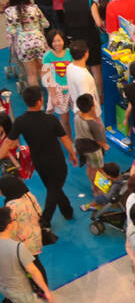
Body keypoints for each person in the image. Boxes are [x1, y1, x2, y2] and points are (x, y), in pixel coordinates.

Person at [13, 87, 77, 227]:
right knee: (54, 188)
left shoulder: (20, 121)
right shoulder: (51, 119)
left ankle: (67, 210)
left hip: (39, 163)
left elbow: (9, 141)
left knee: (53, 188)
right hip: (56, 162)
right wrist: (72, 153)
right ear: (40, 101)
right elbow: (65, 139)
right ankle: (45, 219)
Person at [0, 205, 55, 303]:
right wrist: (45, 290)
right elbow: (33, 271)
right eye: (14, 219)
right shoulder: (17, 247)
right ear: (9, 224)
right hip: (21, 289)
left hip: (5, 288)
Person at [4, 0, 49, 89]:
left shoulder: (9, 11)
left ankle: (38, 101)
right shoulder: (34, 8)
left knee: (31, 74)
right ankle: (52, 95)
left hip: (23, 44)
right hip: (39, 41)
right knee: (44, 70)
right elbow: (46, 24)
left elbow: (11, 30)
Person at [42, 30, 75, 139]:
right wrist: (53, 96)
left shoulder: (70, 52)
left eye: (59, 40)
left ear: (63, 40)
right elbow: (48, 78)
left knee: (79, 117)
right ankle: (69, 142)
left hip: (72, 89)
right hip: (58, 91)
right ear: (50, 42)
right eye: (54, 41)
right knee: (64, 121)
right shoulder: (47, 56)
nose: (57, 44)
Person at [73, 93, 107, 189]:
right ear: (92, 107)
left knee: (89, 167)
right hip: (94, 150)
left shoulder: (77, 116)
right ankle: (102, 189)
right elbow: (99, 140)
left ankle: (93, 185)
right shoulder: (92, 123)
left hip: (81, 147)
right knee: (99, 170)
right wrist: (105, 145)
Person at [65, 40, 97, 113]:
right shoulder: (83, 76)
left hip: (77, 109)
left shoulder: (69, 67)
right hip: (87, 114)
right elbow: (86, 103)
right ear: (86, 53)